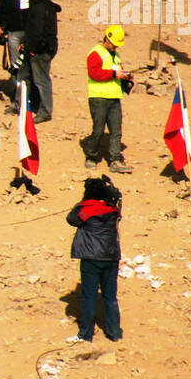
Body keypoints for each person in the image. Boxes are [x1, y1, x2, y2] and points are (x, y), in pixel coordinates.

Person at [67, 175, 123, 342]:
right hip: (111, 257)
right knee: (110, 297)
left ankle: (86, 334)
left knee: (89, 296)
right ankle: (114, 333)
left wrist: (82, 202)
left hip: (91, 258)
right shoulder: (113, 209)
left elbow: (71, 219)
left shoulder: (87, 208)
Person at [83, 25, 134, 174]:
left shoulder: (116, 56)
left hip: (114, 98)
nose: (115, 47)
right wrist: (113, 74)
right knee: (98, 130)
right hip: (98, 97)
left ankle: (115, 160)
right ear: (106, 39)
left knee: (116, 130)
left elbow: (117, 72)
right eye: (114, 44)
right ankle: (91, 156)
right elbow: (94, 73)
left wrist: (125, 77)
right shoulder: (95, 53)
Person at [18, 0, 58, 123]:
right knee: (24, 77)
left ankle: (45, 111)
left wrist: (34, 48)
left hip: (40, 50)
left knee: (41, 81)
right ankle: (21, 105)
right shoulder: (41, 6)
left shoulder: (41, 8)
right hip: (33, 48)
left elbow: (39, 31)